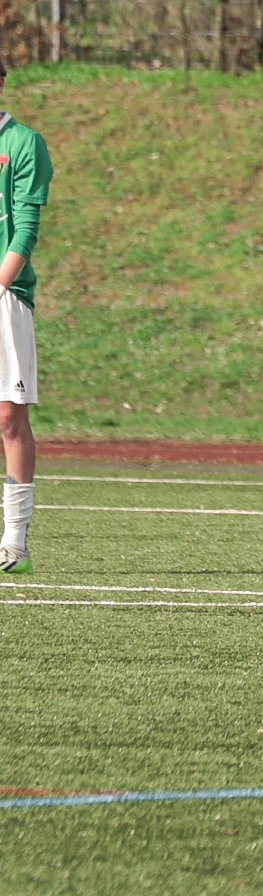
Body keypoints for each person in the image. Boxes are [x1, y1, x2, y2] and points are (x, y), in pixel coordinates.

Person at [0, 59, 50, 575]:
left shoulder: (23, 143)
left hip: (5, 295)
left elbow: (25, 227)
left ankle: (15, 540)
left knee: (9, 418)